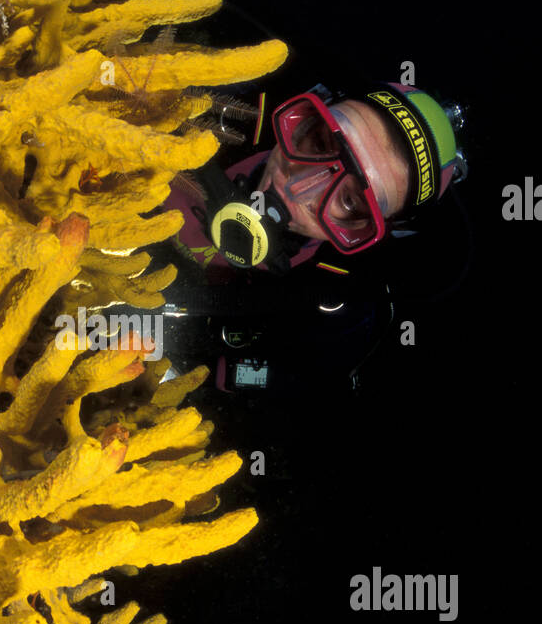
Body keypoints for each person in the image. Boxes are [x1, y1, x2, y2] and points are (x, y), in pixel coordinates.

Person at [155, 80, 469, 397]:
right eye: (318, 143)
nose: (296, 188)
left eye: (349, 201)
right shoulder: (232, 110)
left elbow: (207, 380)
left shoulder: (330, 308)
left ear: (365, 230)